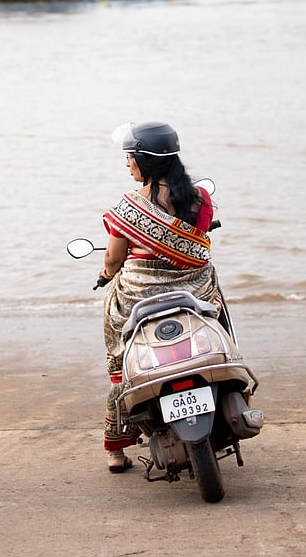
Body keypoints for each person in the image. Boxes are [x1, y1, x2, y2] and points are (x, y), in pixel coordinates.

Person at [98, 120, 221, 473]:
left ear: (146, 162)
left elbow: (113, 260)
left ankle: (117, 450)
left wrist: (106, 275)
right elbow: (201, 243)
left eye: (130, 157)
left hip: (140, 300)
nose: (127, 164)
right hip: (193, 292)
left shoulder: (128, 209)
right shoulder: (200, 199)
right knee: (217, 304)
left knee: (122, 366)